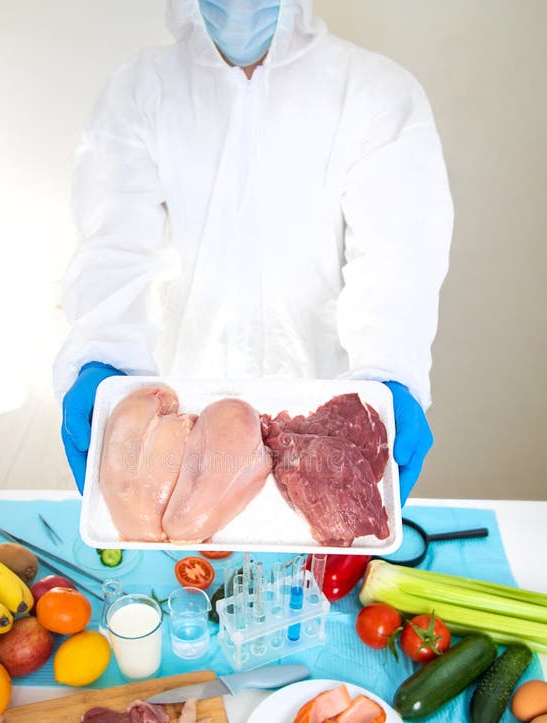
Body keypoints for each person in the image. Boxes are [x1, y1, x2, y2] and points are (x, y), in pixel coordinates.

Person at [54, 0, 454, 504]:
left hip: (322, 434)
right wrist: (103, 357)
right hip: (185, 437)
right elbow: (114, 246)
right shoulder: (140, 92)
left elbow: (398, 258)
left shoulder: (376, 94)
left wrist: (389, 375)